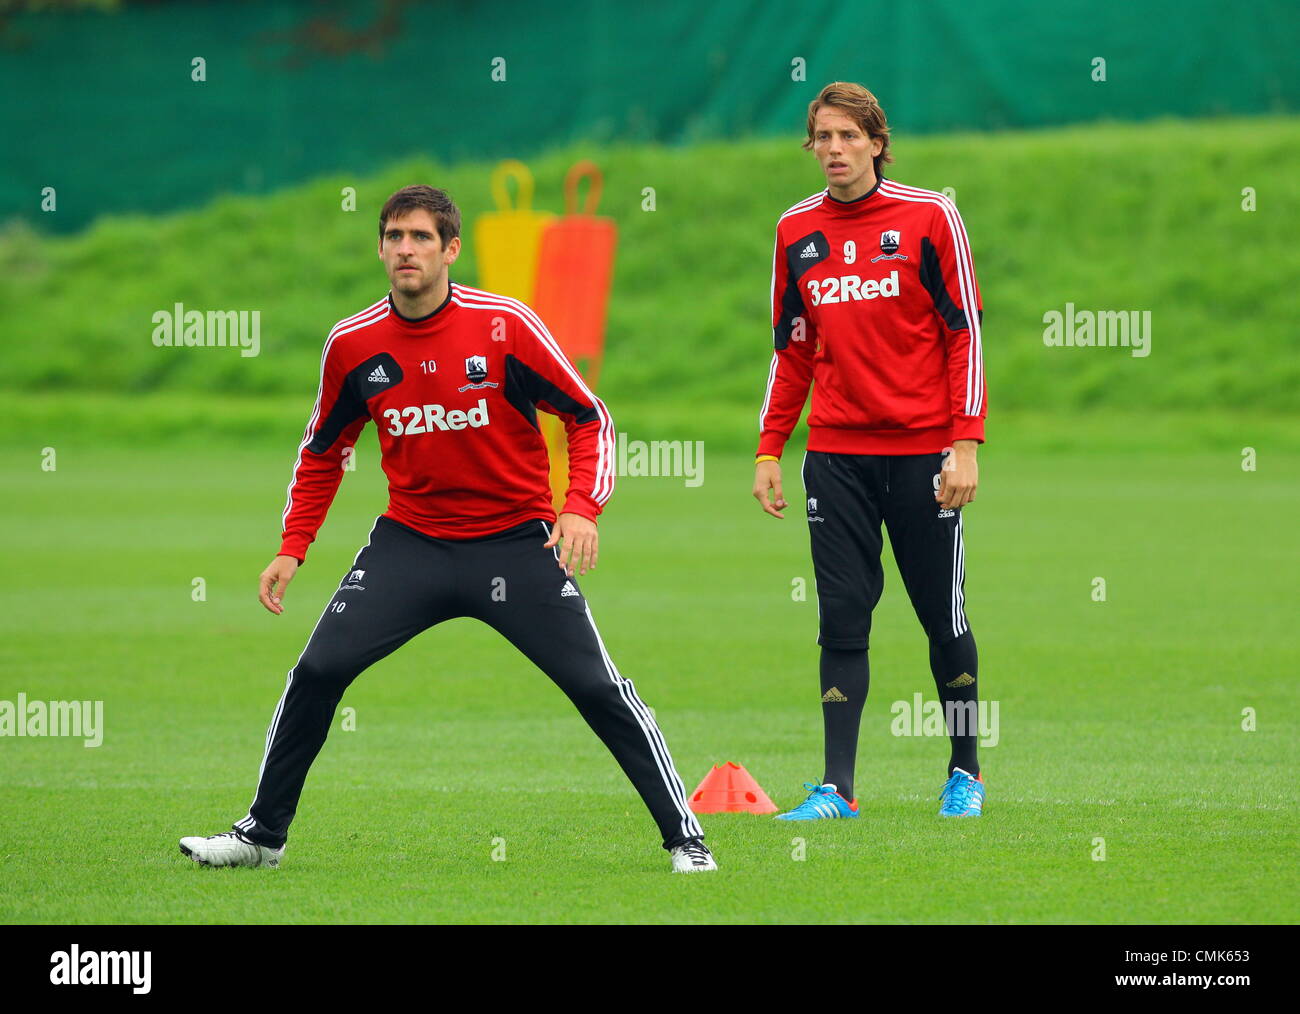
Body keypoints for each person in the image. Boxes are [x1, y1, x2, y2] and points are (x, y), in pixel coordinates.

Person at [179, 185, 714, 872]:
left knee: (597, 688)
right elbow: (323, 451)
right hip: (413, 544)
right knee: (317, 671)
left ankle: (687, 840)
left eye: (422, 237)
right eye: (394, 236)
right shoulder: (353, 343)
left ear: (451, 249)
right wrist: (292, 548)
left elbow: (588, 416)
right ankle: (261, 838)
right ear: (379, 247)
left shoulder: (505, 325)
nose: (406, 249)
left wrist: (581, 504)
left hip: (517, 543)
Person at [753, 82, 987, 820]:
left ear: (877, 143)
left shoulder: (928, 216)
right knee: (842, 617)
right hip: (837, 458)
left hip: (925, 457)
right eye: (822, 137)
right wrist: (769, 448)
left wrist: (965, 444)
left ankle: (965, 772)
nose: (833, 149)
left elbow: (964, 333)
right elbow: (791, 351)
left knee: (940, 618)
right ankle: (838, 790)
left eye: (849, 136)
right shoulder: (796, 231)